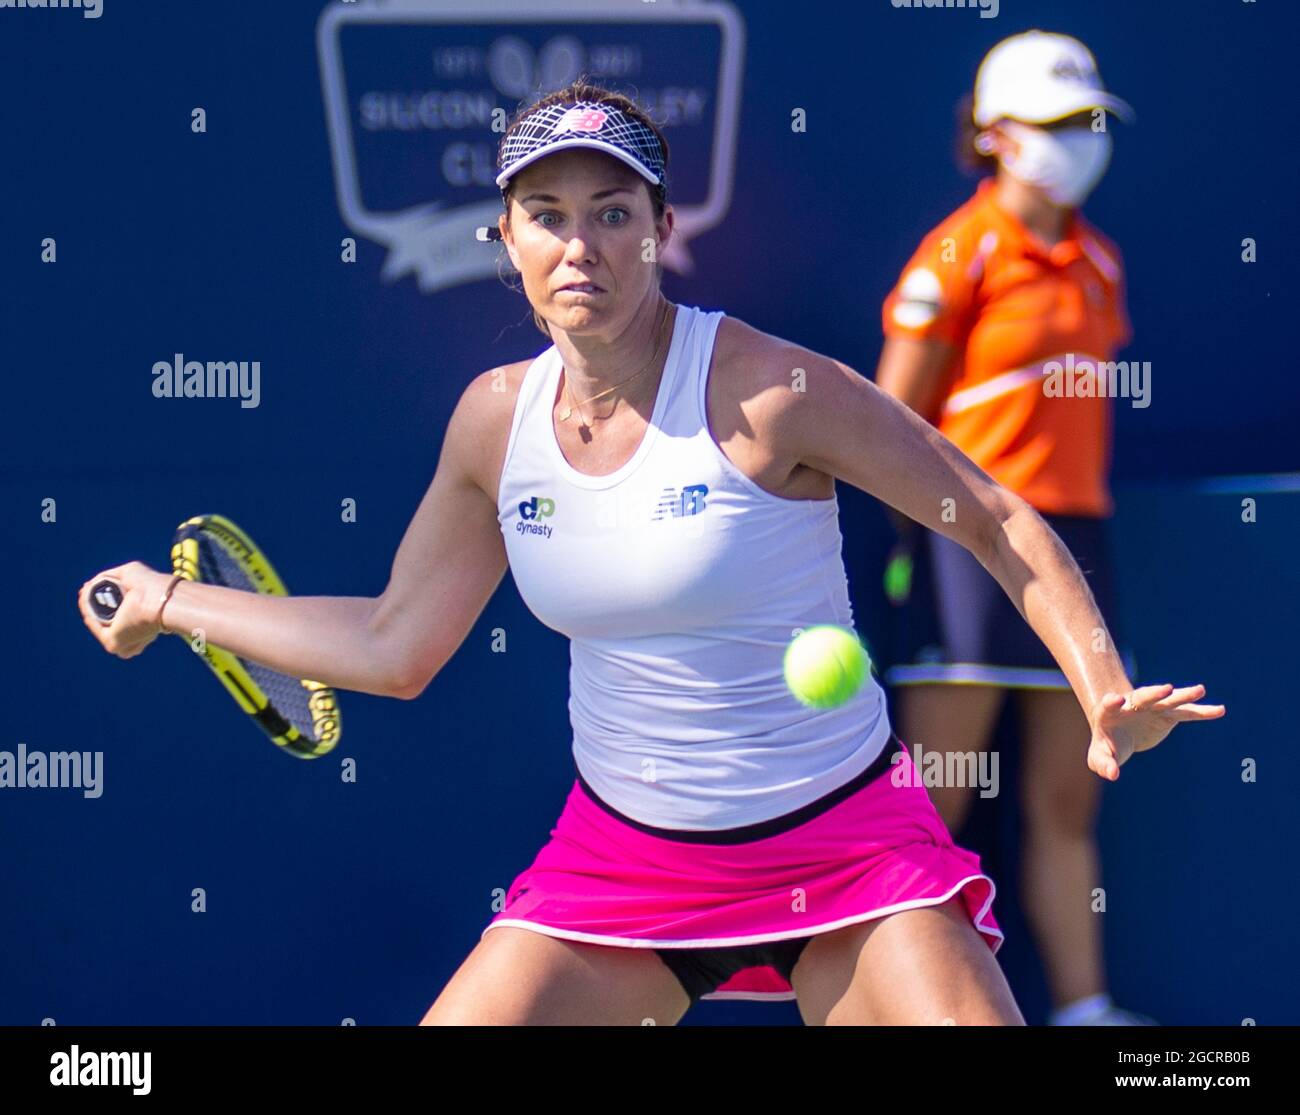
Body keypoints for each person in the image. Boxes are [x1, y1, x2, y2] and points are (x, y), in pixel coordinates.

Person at [78, 80, 1223, 1026]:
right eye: (548, 213)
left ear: (661, 229)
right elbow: (393, 643)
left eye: (612, 211)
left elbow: (990, 513)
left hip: (849, 850)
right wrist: (169, 599)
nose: (581, 243)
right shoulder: (494, 420)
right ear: (507, 239)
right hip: (621, 861)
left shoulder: (771, 391)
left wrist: (1100, 683)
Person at [875, 31, 1155, 1025]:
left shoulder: (1100, 260)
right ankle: (895, 1005)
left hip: (1079, 541)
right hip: (965, 549)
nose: (1077, 140)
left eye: (1088, 121)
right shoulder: (958, 249)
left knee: (1067, 796)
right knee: (931, 812)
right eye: (1052, 123)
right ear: (993, 135)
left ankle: (1085, 1012)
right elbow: (885, 420)